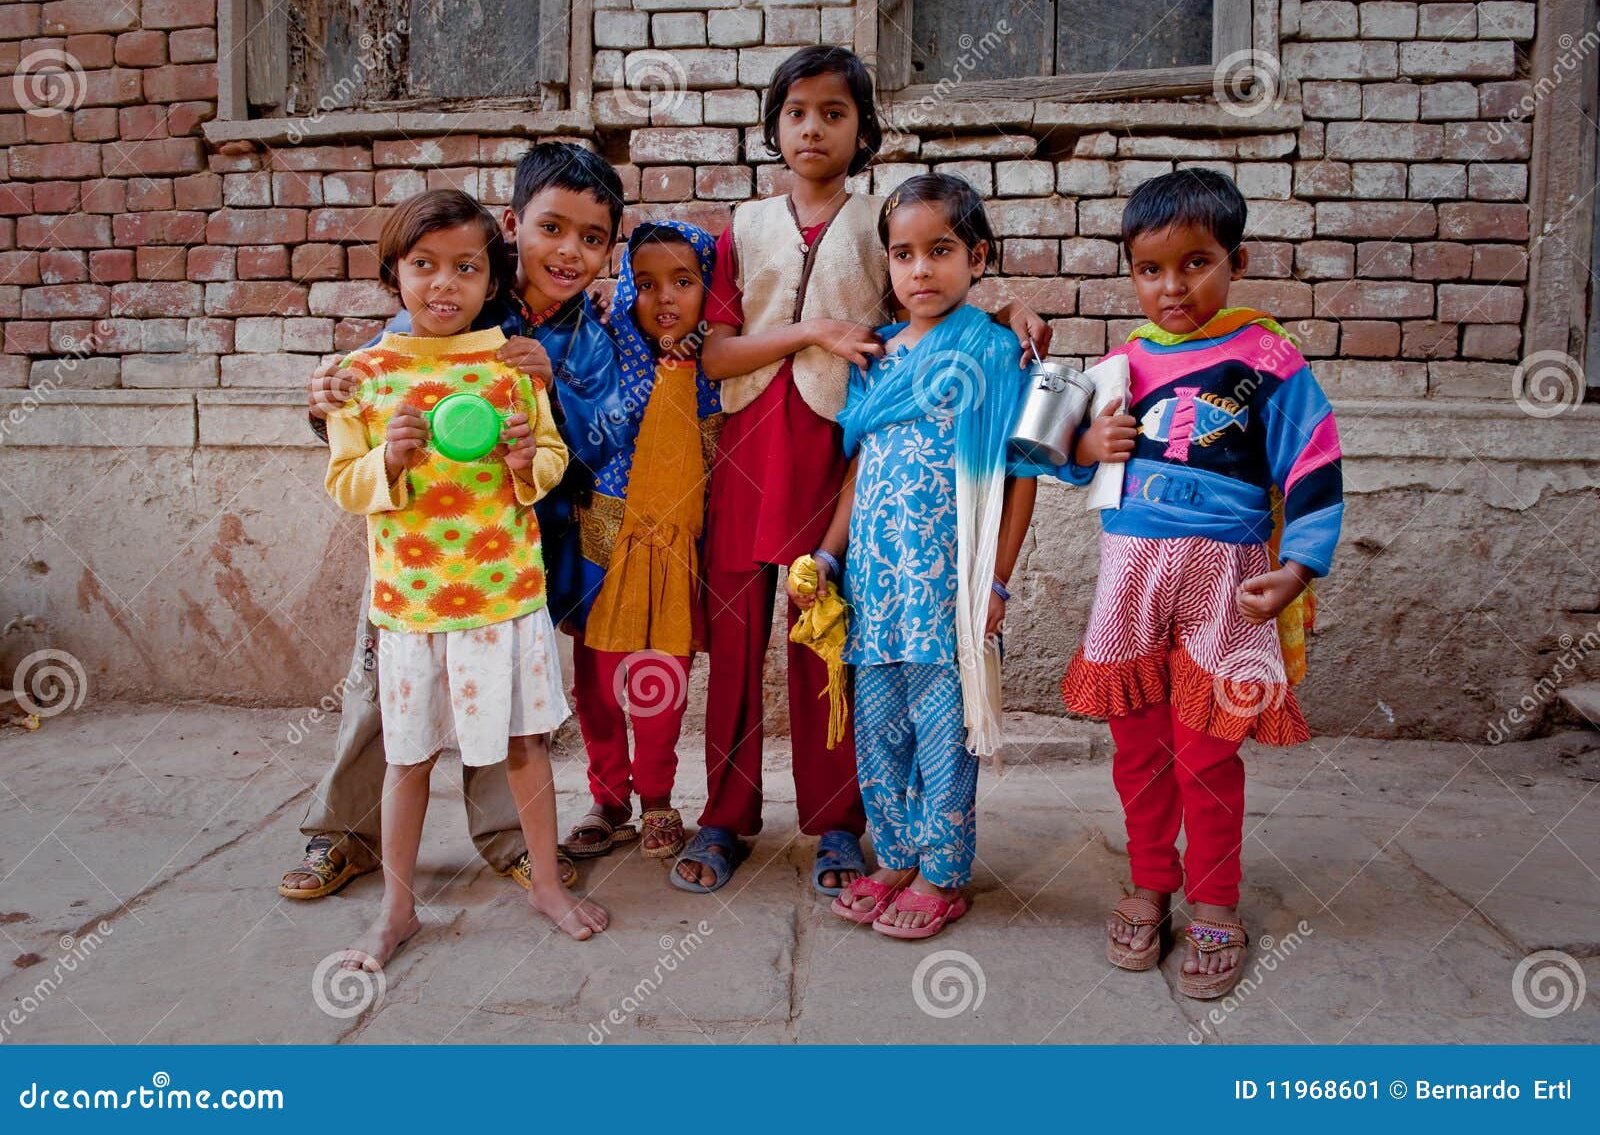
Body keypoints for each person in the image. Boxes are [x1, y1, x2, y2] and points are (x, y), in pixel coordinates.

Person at [678, 45, 1052, 896]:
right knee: (735, 642)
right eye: (796, 112)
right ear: (774, 126)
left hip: (837, 454)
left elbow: (934, 307)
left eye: (834, 113)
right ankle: (724, 814)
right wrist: (814, 330)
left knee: (827, 636)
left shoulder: (881, 221)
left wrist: (1010, 307)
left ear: (864, 129)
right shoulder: (741, 227)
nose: (813, 128)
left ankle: (838, 822)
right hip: (746, 449)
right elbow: (717, 354)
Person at [284, 144, 630, 900]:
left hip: (519, 543)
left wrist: (552, 392)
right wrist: (323, 403)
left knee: (501, 700)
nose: (567, 252)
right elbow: (369, 393)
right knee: (382, 694)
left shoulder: (592, 333)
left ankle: (510, 840)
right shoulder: (459, 291)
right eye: (550, 228)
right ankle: (346, 834)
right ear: (513, 228)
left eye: (591, 238)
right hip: (413, 551)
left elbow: (601, 439)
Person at [1063, 169, 1344, 998]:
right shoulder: (1122, 364)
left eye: (1196, 263)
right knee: (1138, 747)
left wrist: (1296, 568)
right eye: (1150, 269)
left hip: (1229, 578)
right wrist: (1088, 447)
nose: (1172, 286)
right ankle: (1151, 880)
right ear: (1131, 273)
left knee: (1207, 749)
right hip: (1132, 576)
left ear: (1236, 261)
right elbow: (1051, 449)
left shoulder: (1266, 358)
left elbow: (1315, 458)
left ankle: (1216, 897)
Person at [795, 174, 1043, 939]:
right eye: (903, 254)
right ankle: (897, 855)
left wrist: (996, 581)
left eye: (940, 251)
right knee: (880, 731)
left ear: (978, 257)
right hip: (875, 583)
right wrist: (827, 558)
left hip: (948, 586)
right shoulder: (875, 358)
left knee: (943, 733)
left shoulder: (994, 349)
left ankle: (944, 871)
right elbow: (859, 470)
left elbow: (1020, 475)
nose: (921, 270)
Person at [565, 221, 721, 861]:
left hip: (676, 553)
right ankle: (608, 800)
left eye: (683, 282)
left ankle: (657, 797)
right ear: (628, 288)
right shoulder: (604, 352)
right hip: (604, 543)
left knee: (661, 685)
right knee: (598, 686)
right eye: (647, 283)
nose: (665, 298)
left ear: (710, 288)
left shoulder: (719, 366)